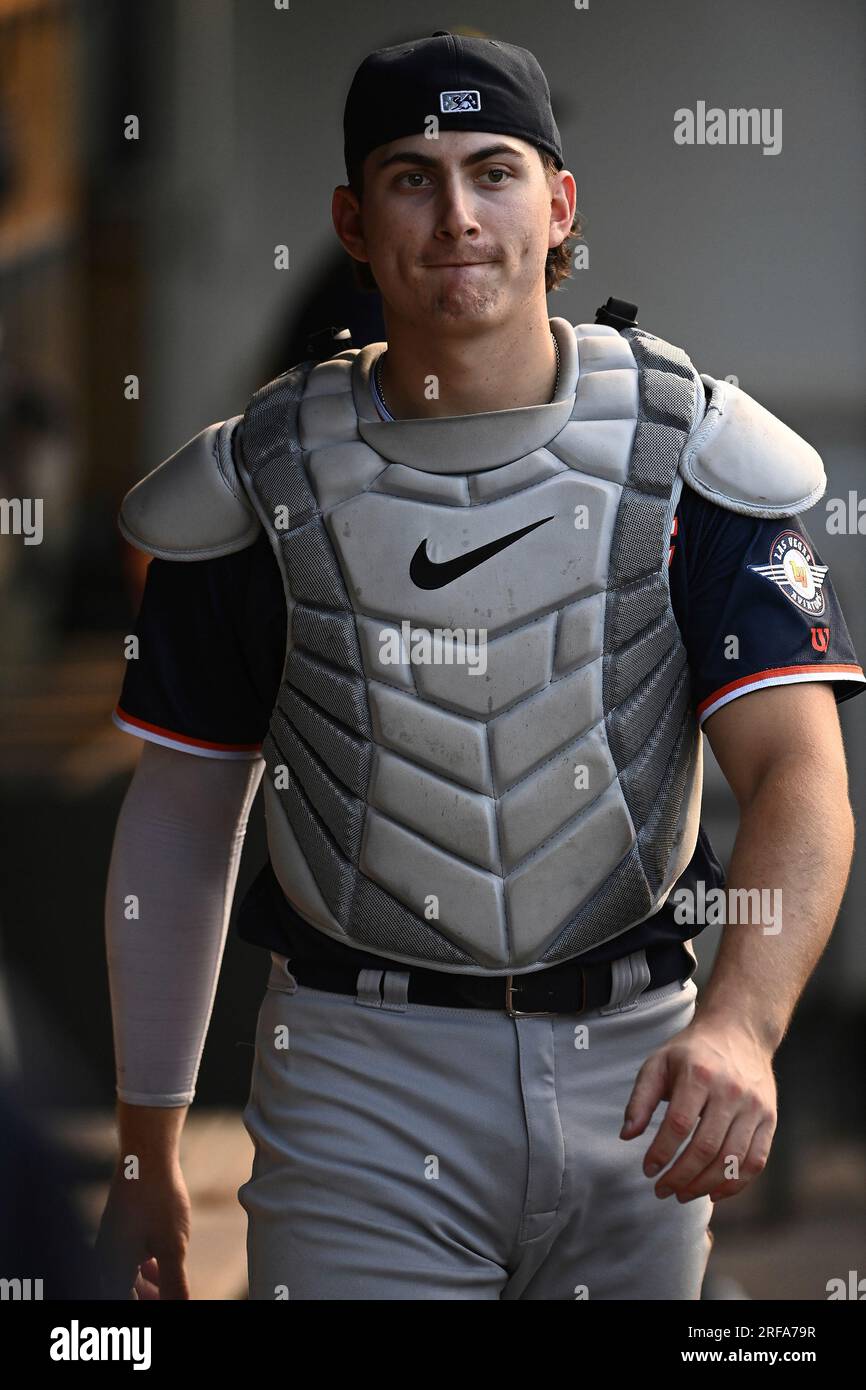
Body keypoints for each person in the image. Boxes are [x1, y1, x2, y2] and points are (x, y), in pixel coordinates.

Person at [97, 31, 864, 1300]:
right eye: (410, 176)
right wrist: (144, 1149)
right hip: (358, 1075)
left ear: (556, 205)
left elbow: (798, 775)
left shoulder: (691, 459)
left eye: (492, 170)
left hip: (637, 1067)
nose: (456, 215)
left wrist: (740, 1023)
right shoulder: (255, 486)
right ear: (350, 218)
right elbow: (179, 824)